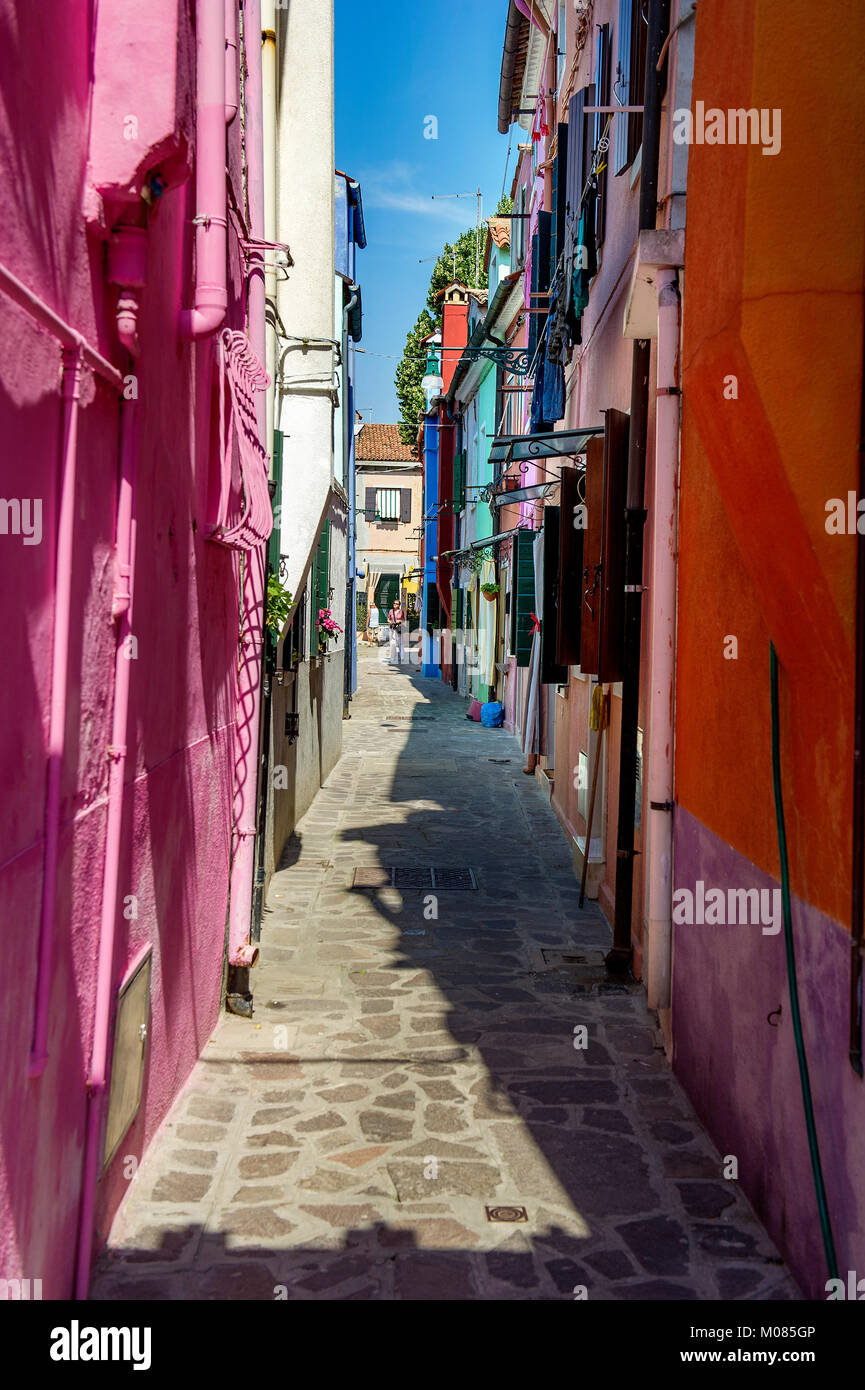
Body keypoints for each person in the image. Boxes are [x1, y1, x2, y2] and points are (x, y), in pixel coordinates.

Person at [388, 599, 405, 664]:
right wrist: (391, 622)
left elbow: (403, 620)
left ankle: (402, 657)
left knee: (400, 643)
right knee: (392, 644)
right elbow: (388, 619)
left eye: (396, 604)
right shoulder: (391, 611)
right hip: (392, 628)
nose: (394, 604)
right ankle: (392, 658)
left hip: (399, 629)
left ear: (399, 605)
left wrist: (399, 621)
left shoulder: (401, 612)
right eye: (394, 603)